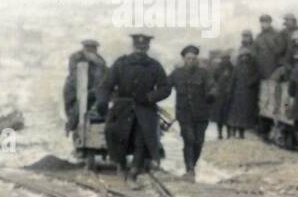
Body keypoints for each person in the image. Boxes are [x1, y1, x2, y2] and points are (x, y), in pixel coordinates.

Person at [95, 33, 172, 186]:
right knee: (116, 136)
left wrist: (150, 97)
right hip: (122, 109)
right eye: (138, 47)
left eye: (143, 48)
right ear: (133, 47)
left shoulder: (154, 66)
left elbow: (165, 88)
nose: (140, 51)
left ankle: (133, 174)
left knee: (142, 141)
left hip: (145, 110)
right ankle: (121, 166)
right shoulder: (121, 64)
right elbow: (106, 85)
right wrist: (102, 101)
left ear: (148, 48)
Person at [169, 44, 215, 178]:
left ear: (196, 59)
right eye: (188, 58)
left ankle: (192, 166)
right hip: (184, 114)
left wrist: (212, 94)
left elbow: (212, 86)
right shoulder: (176, 73)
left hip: (201, 114)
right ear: (184, 59)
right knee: (189, 139)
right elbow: (165, 86)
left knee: (198, 142)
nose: (191, 61)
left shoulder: (204, 73)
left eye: (193, 59)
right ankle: (189, 169)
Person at [63, 38, 108, 132]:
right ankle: (71, 125)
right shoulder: (76, 57)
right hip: (74, 90)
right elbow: (75, 76)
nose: (91, 51)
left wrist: (99, 64)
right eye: (88, 48)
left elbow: (105, 74)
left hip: (93, 91)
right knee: (77, 108)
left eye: (93, 48)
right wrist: (90, 91)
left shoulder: (99, 60)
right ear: (84, 48)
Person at [227, 44, 259, 138]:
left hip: (248, 94)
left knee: (244, 115)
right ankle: (234, 131)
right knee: (236, 114)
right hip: (237, 94)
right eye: (243, 56)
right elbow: (233, 80)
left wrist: (251, 82)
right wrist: (230, 91)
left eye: (246, 56)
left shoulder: (253, 66)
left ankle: (241, 133)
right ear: (240, 57)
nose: (244, 58)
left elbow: (257, 76)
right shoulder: (237, 67)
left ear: (249, 57)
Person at [210, 48, 235, 139]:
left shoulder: (232, 68)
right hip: (220, 95)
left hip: (229, 95)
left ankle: (229, 133)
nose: (226, 60)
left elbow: (234, 79)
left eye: (227, 58)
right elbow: (214, 79)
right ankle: (220, 133)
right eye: (224, 58)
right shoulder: (218, 68)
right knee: (219, 116)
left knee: (229, 115)